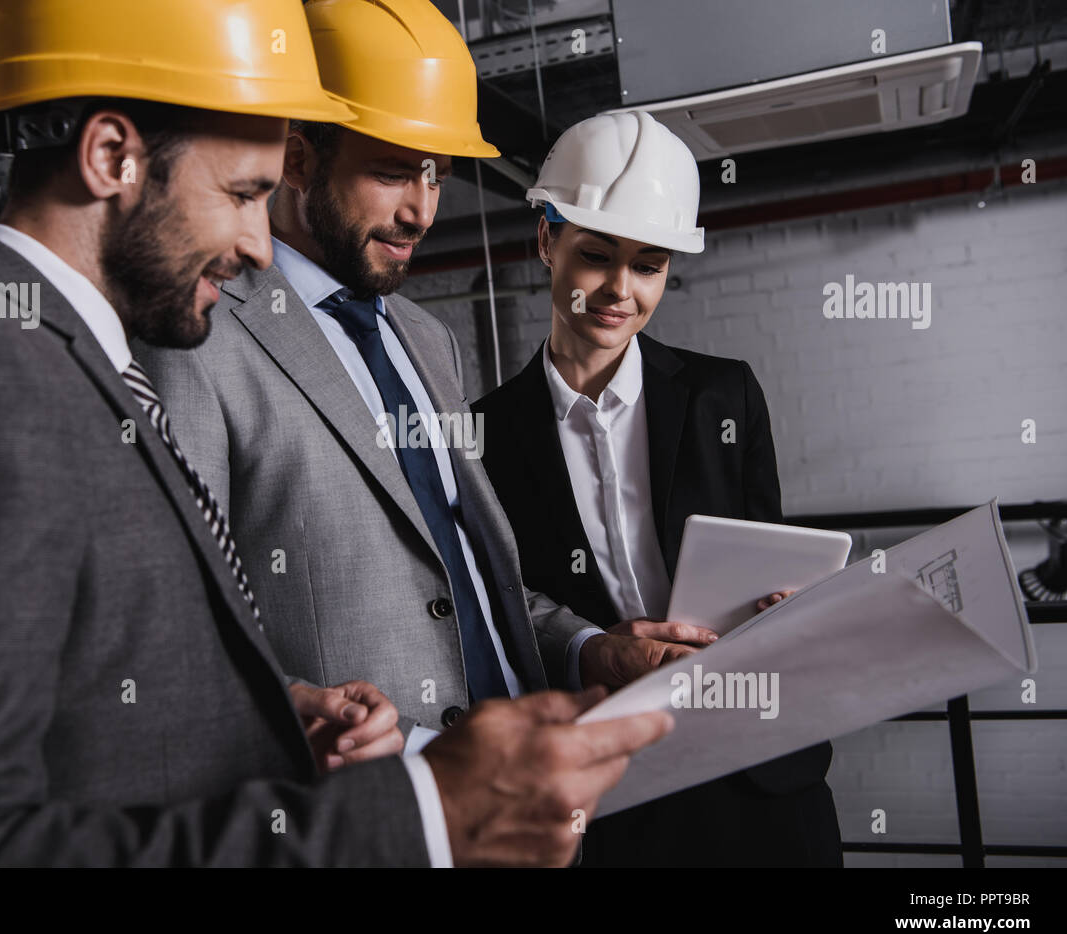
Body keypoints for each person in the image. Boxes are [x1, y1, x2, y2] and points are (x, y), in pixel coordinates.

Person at [0, 0, 673, 868]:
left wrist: (268, 719)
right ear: (110, 155)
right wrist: (413, 815)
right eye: (245, 192)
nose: (258, 246)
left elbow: (97, 711)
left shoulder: (72, 368)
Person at [135, 0, 683, 754]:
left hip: (517, 789)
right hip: (375, 816)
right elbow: (182, 626)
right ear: (299, 159)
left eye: (437, 177)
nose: (421, 212)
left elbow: (468, 575)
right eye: (392, 174)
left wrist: (591, 647)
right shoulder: (199, 335)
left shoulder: (429, 341)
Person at [473, 110, 842, 866]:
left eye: (649, 265)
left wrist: (790, 605)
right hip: (615, 787)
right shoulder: (487, 433)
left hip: (761, 772)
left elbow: (770, 554)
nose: (619, 289)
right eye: (596, 256)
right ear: (546, 241)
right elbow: (505, 606)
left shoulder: (723, 396)